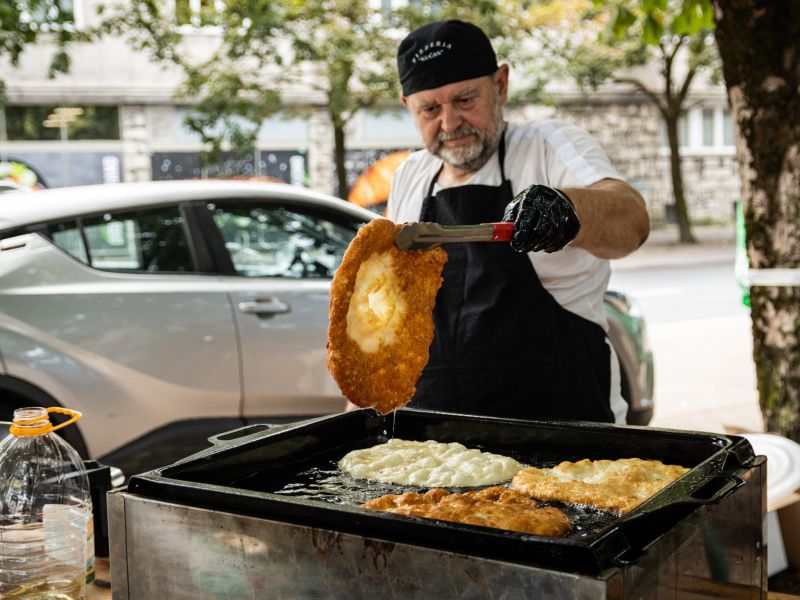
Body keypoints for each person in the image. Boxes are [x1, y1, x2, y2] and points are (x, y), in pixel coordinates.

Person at [387, 19, 650, 424]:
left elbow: (631, 219)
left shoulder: (549, 147)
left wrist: (567, 210)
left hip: (565, 441)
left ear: (501, 84)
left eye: (465, 99)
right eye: (430, 109)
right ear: (408, 106)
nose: (450, 122)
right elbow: (391, 314)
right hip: (435, 449)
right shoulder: (409, 177)